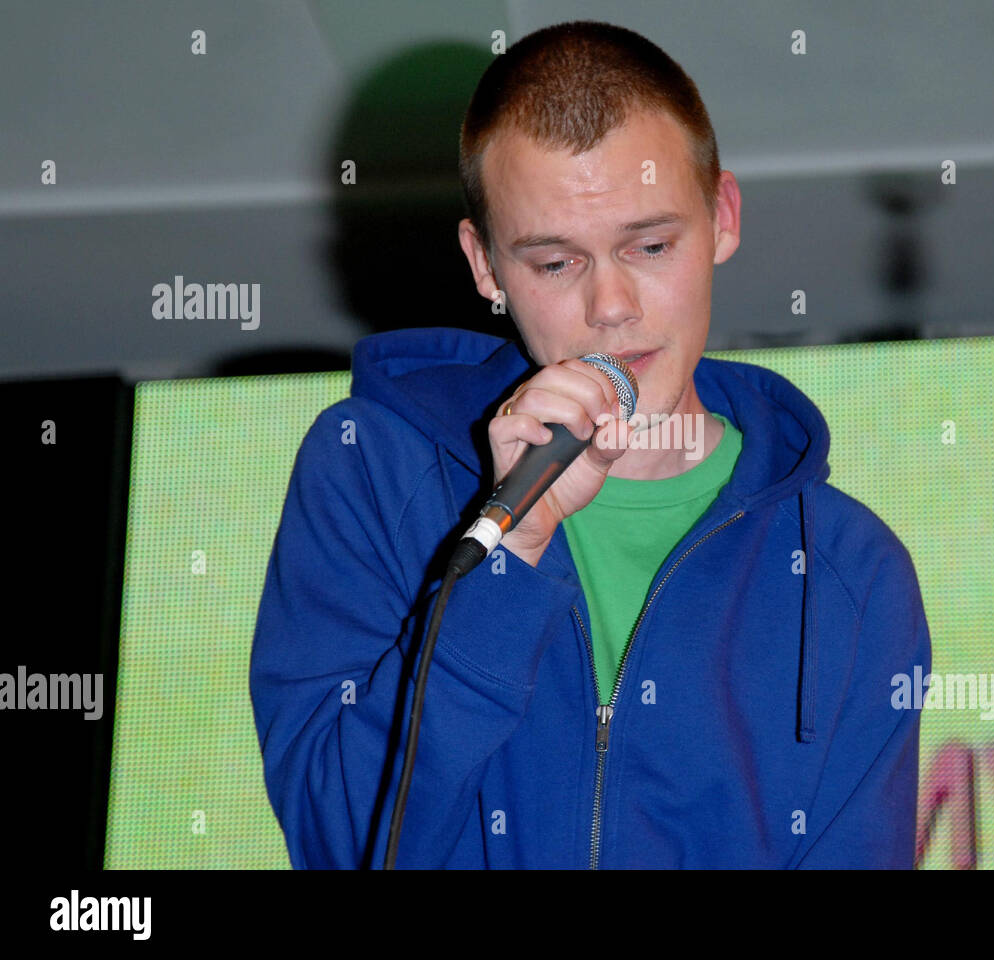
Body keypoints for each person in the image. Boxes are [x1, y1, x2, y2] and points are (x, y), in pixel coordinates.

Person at [250, 19, 930, 869]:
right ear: (486, 266)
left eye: (649, 245)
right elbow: (343, 845)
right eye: (556, 263)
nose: (611, 306)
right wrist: (511, 549)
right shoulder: (369, 470)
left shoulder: (846, 565)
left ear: (722, 217)